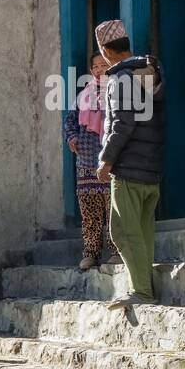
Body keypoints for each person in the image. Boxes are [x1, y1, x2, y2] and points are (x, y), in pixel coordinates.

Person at [94, 18, 166, 309]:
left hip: (128, 168)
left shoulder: (120, 80)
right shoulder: (148, 73)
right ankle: (144, 285)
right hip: (152, 167)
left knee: (122, 231)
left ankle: (141, 290)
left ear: (106, 51)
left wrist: (106, 160)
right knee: (143, 230)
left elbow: (122, 125)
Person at [65, 54, 113, 271]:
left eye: (103, 65)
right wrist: (72, 136)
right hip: (85, 160)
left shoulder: (118, 91)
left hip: (110, 160)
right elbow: (70, 120)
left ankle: (116, 252)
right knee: (90, 213)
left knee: (115, 210)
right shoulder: (84, 94)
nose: (99, 69)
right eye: (95, 66)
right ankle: (91, 253)